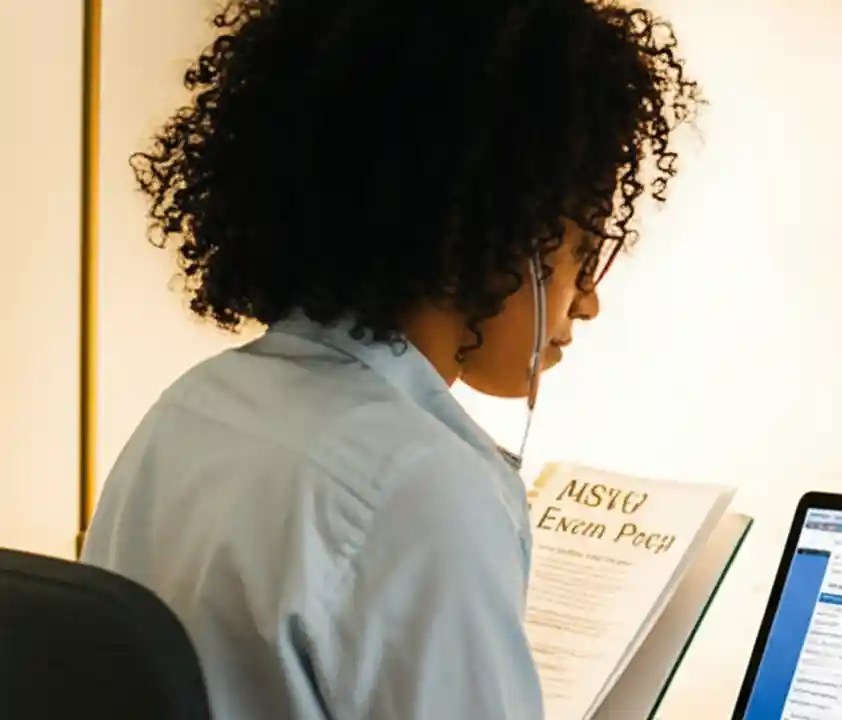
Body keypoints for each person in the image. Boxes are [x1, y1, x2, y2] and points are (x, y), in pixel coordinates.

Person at [79, 1, 700, 717]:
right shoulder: (421, 487)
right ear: (497, 236)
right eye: (582, 254)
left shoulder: (191, 407)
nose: (586, 302)